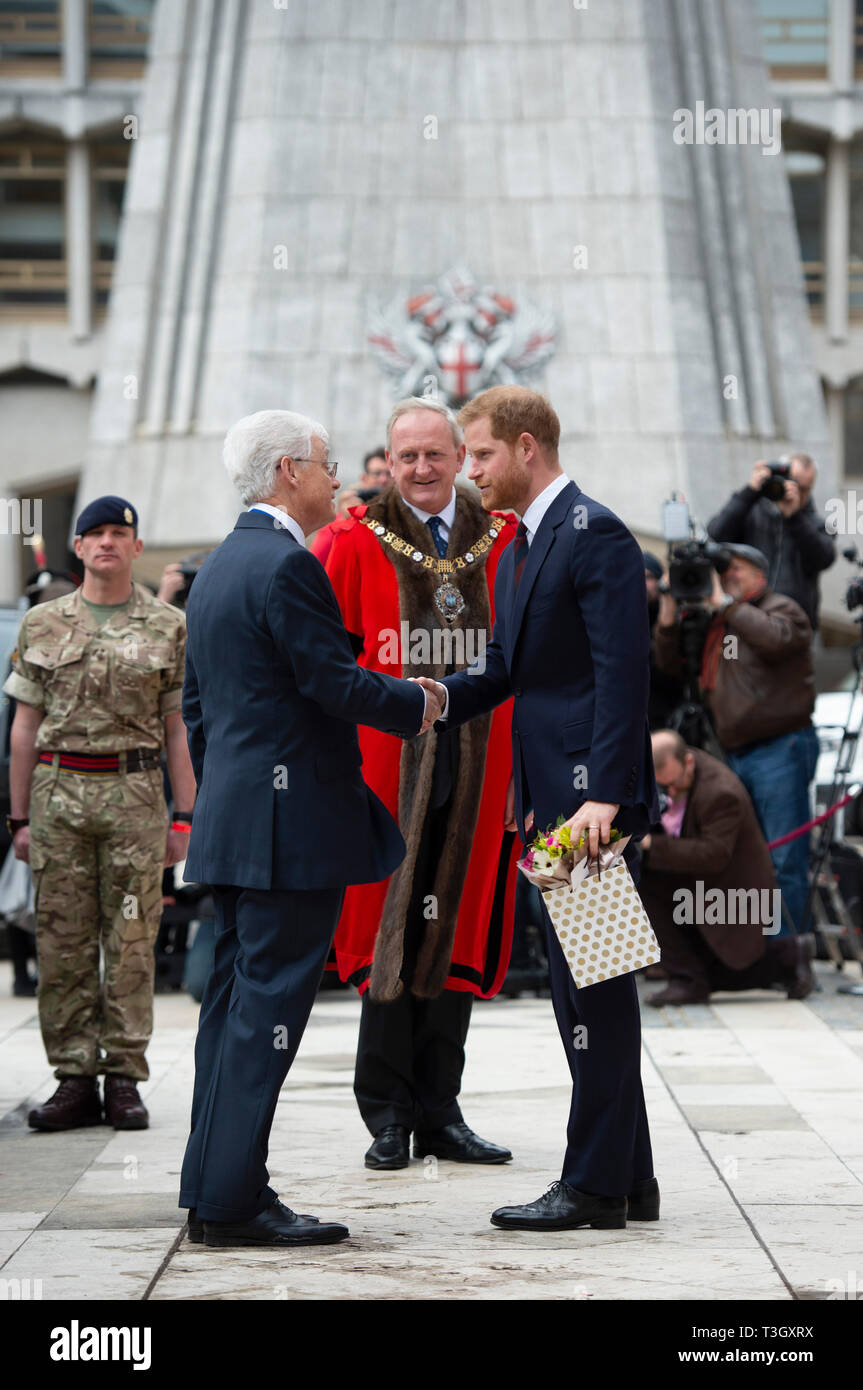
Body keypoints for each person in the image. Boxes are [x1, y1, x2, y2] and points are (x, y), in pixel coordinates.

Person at [177, 409, 440, 1250]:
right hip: (285, 834)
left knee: (231, 1012)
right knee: (265, 1017)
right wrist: (420, 702)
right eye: (327, 465)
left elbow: (198, 711)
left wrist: (227, 796)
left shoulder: (220, 564)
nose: (340, 480)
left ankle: (216, 1186)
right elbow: (331, 682)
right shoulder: (287, 566)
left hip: (237, 825)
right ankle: (231, 1203)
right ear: (288, 471)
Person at [420, 385, 660, 1233]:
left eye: (479, 455)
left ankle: (592, 1187)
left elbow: (623, 674)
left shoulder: (594, 534)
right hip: (552, 807)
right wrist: (423, 700)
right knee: (581, 994)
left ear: (527, 448)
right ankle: (628, 1178)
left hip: (587, 809)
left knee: (593, 998)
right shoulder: (517, 546)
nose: (469, 472)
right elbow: (502, 670)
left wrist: (603, 796)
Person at [323, 396, 518, 1171]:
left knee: (455, 927)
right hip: (384, 771)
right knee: (389, 932)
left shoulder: (501, 539)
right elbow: (324, 665)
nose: (420, 469)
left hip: (480, 766)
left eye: (435, 454)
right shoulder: (348, 540)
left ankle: (441, 1110)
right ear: (388, 460)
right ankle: (387, 1116)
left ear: (458, 455)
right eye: (405, 457)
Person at [4, 497, 194, 1131]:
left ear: (137, 547)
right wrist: (19, 818)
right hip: (59, 798)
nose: (108, 542)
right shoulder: (42, 623)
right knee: (62, 941)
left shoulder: (167, 624)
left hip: (136, 797)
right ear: (79, 548)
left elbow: (177, 729)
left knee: (133, 941)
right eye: (96, 534)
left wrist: (185, 816)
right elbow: (24, 727)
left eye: (121, 532)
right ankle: (73, 1078)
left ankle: (124, 1078)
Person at [654, 543, 817, 934]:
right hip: (736, 752)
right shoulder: (720, 621)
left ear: (760, 574)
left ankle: (787, 953)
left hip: (780, 747)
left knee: (783, 856)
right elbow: (666, 663)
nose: (726, 577)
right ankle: (757, 952)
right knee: (749, 856)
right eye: (721, 571)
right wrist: (669, 607)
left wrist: (724, 602)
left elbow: (777, 639)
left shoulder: (781, 608)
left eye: (736, 570)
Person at [640, 732, 813, 1005]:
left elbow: (713, 855)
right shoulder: (682, 771)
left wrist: (651, 844)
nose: (670, 793)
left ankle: (789, 956)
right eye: (663, 788)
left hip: (732, 894)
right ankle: (689, 979)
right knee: (644, 877)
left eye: (674, 785)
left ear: (688, 762)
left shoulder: (720, 792)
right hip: (698, 884)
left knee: (725, 972)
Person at [707, 454, 835, 631]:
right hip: (744, 617)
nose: (797, 490)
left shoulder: (817, 524)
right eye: (792, 482)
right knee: (733, 657)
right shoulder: (751, 512)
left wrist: (795, 518)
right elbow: (716, 534)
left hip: (794, 624)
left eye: (804, 488)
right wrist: (750, 491)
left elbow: (823, 559)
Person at [643, 550, 683, 730]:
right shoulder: (618, 617)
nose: (641, 583)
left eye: (648, 577)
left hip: (665, 718)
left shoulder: (675, 618)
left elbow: (670, 672)